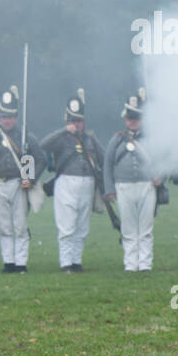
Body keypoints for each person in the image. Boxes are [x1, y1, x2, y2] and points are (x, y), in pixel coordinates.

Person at [0, 86, 45, 273]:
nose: (6, 120)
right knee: (5, 226)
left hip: (19, 185)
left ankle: (21, 262)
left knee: (21, 226)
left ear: (15, 118)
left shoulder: (25, 136)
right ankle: (8, 262)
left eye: (10, 117)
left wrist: (30, 178)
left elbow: (38, 158)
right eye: (3, 117)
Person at [40, 89, 105, 273]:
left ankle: (76, 261)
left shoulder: (90, 139)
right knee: (66, 225)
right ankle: (66, 263)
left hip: (88, 184)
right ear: (67, 121)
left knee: (82, 226)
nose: (77, 124)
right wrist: (64, 131)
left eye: (79, 120)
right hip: (66, 183)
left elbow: (104, 158)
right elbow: (43, 145)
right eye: (73, 121)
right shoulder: (61, 139)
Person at [103, 89, 163, 272]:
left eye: (136, 117)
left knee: (145, 228)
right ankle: (130, 264)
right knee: (128, 228)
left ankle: (145, 263)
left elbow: (161, 159)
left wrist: (159, 175)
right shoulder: (117, 139)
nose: (132, 121)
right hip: (123, 186)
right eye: (130, 117)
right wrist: (109, 189)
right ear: (125, 118)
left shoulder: (151, 138)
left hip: (146, 185)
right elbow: (107, 164)